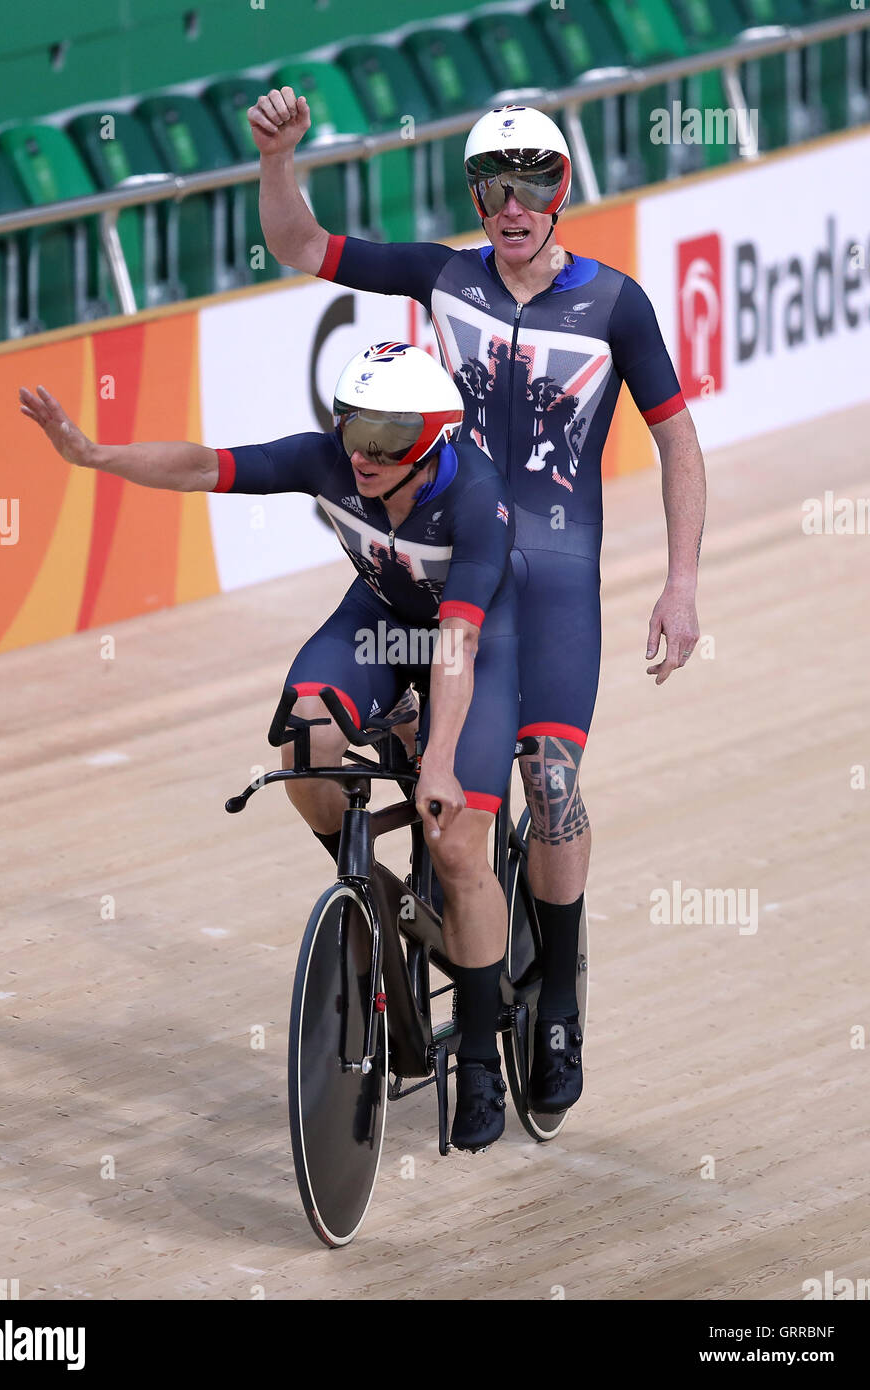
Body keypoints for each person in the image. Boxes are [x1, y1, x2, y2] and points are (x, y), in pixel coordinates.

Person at [248, 93, 707, 1112]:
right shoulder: (438, 274)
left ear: (561, 189)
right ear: (473, 195)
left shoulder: (614, 305)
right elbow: (298, 244)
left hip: (547, 586)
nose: (511, 204)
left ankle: (554, 999)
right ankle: (393, 904)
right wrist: (280, 159)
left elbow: (675, 436)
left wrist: (679, 583)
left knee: (549, 782)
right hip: (446, 565)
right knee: (333, 748)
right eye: (491, 185)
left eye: (531, 181)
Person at [18, 342, 521, 1151]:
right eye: (355, 425)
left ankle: (485, 1053)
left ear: (430, 441)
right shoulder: (333, 460)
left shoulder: (477, 499)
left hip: (477, 644)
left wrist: (437, 759)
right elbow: (204, 467)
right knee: (306, 739)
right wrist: (92, 453)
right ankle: (375, 892)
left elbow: (457, 645)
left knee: (460, 848)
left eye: (389, 436)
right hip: (384, 624)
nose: (363, 451)